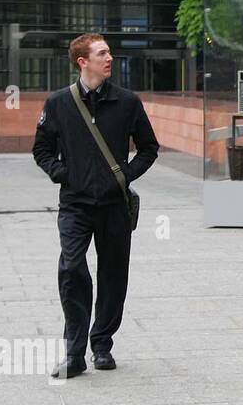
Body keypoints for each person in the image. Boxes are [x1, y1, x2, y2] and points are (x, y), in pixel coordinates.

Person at [32, 33, 159, 378]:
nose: (110, 58)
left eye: (110, 52)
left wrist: (125, 177)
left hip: (114, 205)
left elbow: (149, 147)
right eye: (102, 53)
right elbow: (41, 150)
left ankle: (101, 343)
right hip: (74, 204)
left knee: (113, 273)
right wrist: (63, 174)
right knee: (71, 269)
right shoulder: (58, 103)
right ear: (82, 61)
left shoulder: (127, 102)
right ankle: (74, 353)